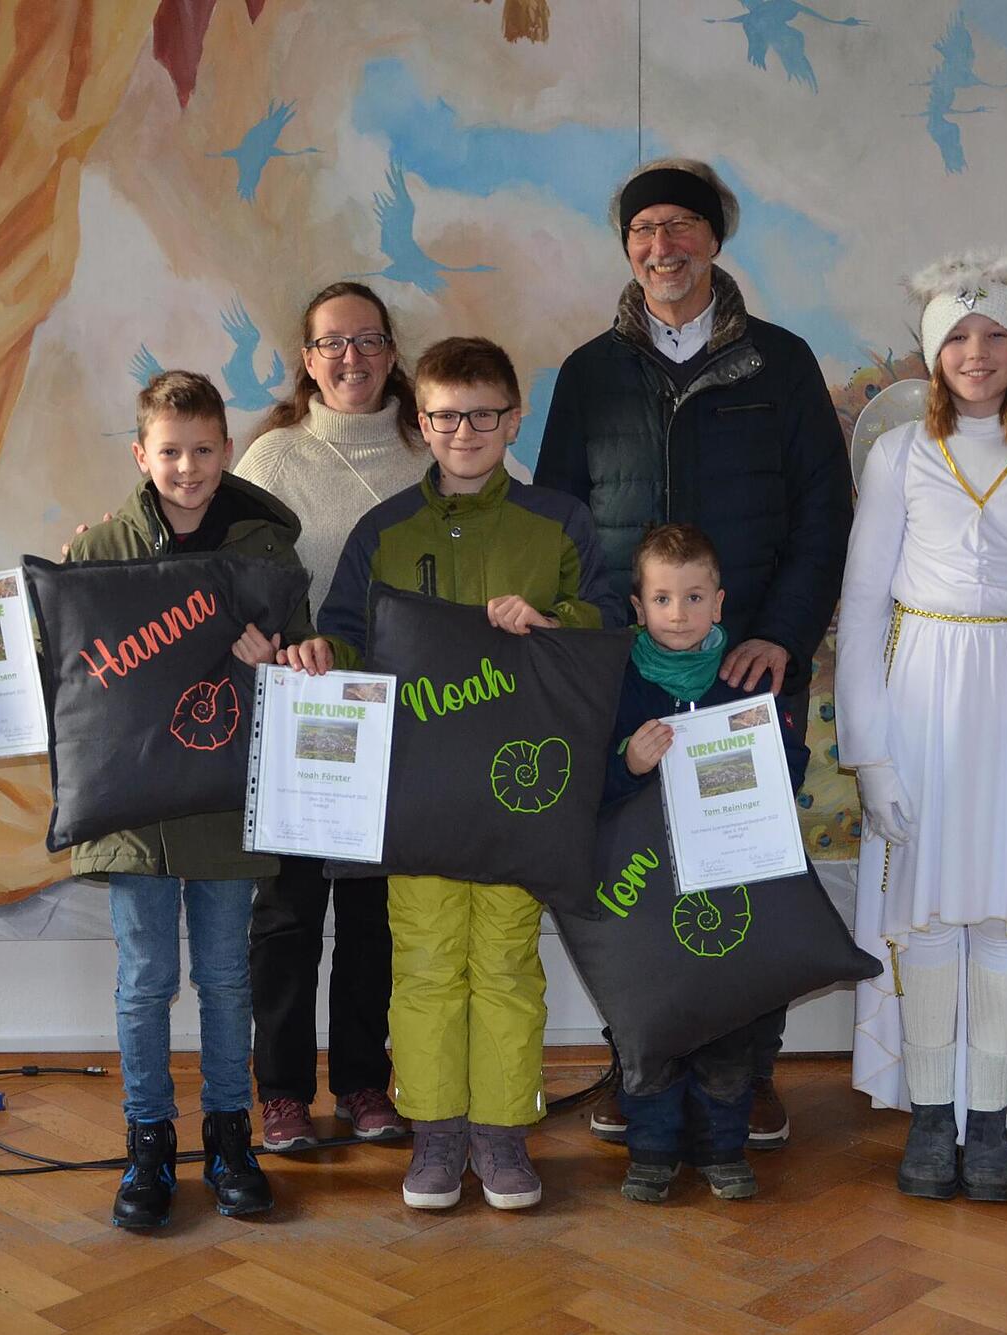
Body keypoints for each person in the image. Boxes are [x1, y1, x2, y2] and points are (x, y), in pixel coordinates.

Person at [0, 372, 306, 1231]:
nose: (189, 466)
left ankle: (231, 1139)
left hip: (221, 806)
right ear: (141, 454)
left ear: (227, 450)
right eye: (170, 451)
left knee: (228, 977)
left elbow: (306, 663)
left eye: (204, 449)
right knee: (144, 982)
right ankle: (150, 1144)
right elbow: (36, 677)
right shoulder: (96, 555)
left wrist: (274, 653)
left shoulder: (267, 557)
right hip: (133, 821)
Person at [536, 156, 851, 1146]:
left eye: (679, 227)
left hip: (743, 674)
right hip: (631, 682)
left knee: (743, 873)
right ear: (626, 247)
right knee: (634, 874)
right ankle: (645, 1070)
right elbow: (561, 522)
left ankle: (743, 1076)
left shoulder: (781, 364)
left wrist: (780, 636)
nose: (659, 247)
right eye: (641, 231)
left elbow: (821, 519)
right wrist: (591, 656)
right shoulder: (590, 373)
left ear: (714, 240)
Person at [281, 336, 615, 1211]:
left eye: (482, 414)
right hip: (416, 792)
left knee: (506, 961)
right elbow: (347, 631)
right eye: (444, 415)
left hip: (520, 791)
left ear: (512, 419)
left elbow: (609, 619)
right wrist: (324, 652)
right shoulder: (383, 531)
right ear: (419, 422)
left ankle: (502, 1137)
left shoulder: (560, 524)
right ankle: (433, 1136)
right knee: (424, 962)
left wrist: (552, 616)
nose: (463, 431)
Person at [833, 250, 1007, 1202]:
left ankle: (987, 1121)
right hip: (924, 701)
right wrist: (869, 754)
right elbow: (864, 603)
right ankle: (927, 1113)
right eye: (957, 335)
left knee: (1002, 914)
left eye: (996, 336)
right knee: (927, 916)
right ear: (932, 353)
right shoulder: (900, 455)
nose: (977, 352)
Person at [233, 282, 425, 1150]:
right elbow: (220, 576)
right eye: (332, 343)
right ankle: (279, 1092)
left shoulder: (435, 448)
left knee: (374, 918)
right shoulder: (271, 460)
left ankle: (359, 1083)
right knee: (287, 914)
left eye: (369, 339)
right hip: (299, 719)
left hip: (403, 724)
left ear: (393, 352)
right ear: (306, 361)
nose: (352, 357)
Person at [603, 523, 809, 1203]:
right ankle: (653, 1153)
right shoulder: (618, 681)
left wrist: (766, 757)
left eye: (695, 598)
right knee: (653, 1026)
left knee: (727, 1022)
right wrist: (630, 763)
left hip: (730, 883)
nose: (680, 614)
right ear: (640, 608)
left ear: (719, 604)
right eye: (664, 599)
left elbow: (788, 769)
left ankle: (722, 1147)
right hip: (646, 888)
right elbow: (589, 780)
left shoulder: (745, 680)